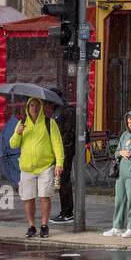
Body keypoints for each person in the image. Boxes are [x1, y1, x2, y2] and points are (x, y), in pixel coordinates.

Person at [8, 97, 65, 238]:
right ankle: (31, 226)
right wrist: (18, 133)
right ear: (27, 108)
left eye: (36, 106)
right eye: (31, 105)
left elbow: (57, 144)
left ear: (41, 108)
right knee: (28, 197)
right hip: (27, 167)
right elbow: (12, 145)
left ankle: (44, 225)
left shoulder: (49, 123)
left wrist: (59, 163)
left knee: (45, 195)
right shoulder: (21, 124)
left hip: (45, 166)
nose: (34, 108)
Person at [104, 111, 131, 238]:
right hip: (121, 172)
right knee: (119, 200)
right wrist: (121, 153)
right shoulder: (124, 135)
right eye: (129, 122)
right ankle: (117, 226)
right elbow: (116, 152)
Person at [47, 88, 78, 223]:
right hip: (62, 149)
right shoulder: (58, 110)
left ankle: (67, 212)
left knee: (63, 179)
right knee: (61, 180)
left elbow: (69, 132)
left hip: (65, 150)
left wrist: (60, 145)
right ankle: (65, 211)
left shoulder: (65, 111)